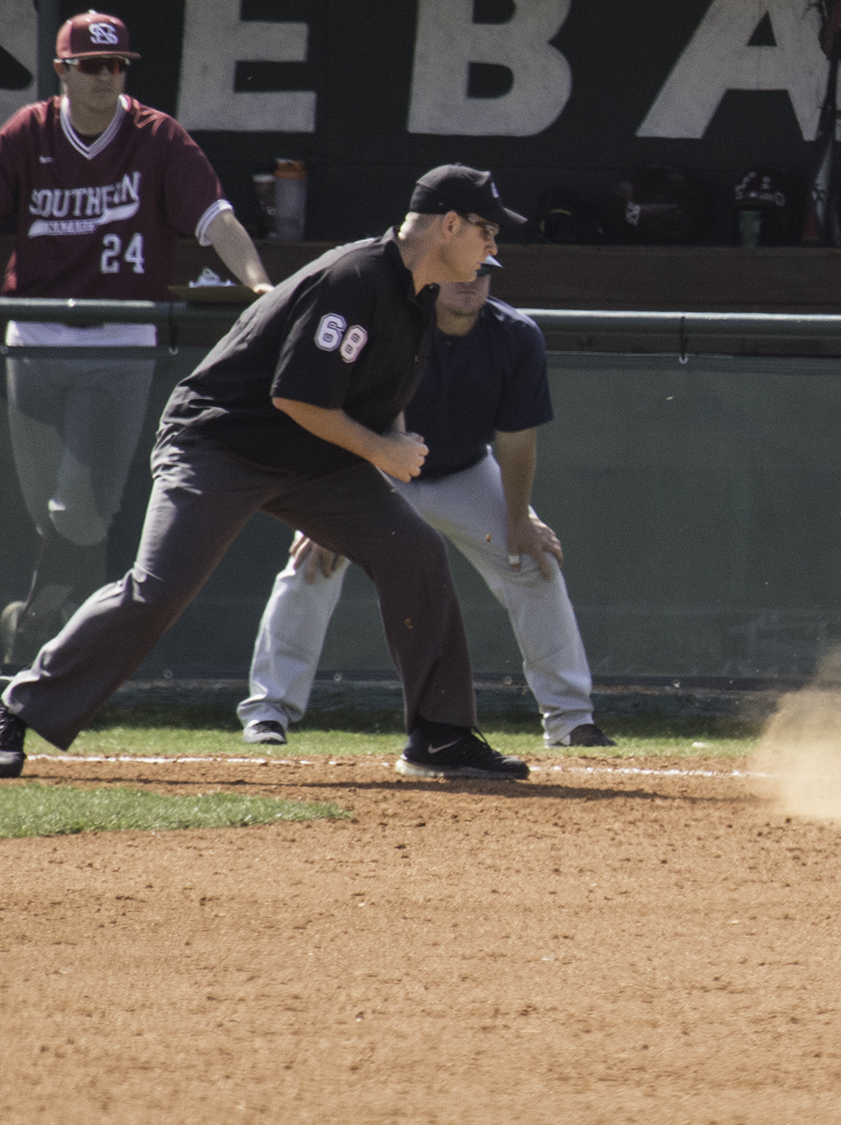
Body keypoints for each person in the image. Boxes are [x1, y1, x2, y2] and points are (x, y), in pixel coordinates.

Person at [0, 164, 532, 782]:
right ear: (449, 225)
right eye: (487, 230)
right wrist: (382, 453)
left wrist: (366, 482)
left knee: (412, 549)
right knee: (161, 586)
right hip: (220, 443)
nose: (493, 246)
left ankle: (440, 736)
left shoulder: (417, 296)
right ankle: (15, 707)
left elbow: (378, 400)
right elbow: (296, 396)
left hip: (315, 461)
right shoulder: (354, 279)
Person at [236, 264, 615, 749]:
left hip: (465, 471)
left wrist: (520, 519)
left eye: (483, 271)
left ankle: (570, 720)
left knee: (534, 560)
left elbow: (517, 438)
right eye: (460, 270)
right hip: (373, 466)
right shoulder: (393, 322)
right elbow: (333, 409)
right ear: (433, 275)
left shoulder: (515, 335)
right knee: (312, 561)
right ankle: (268, 711)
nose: (471, 280)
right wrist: (321, 509)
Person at [0, 10, 273, 665]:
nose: (105, 76)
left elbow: (217, 220)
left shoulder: (156, 136)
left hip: (119, 345)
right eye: (92, 65)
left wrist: (262, 285)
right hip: (32, 341)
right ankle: (50, 633)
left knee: (84, 511)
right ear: (62, 70)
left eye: (117, 65)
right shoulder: (28, 132)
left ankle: (39, 637)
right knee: (48, 513)